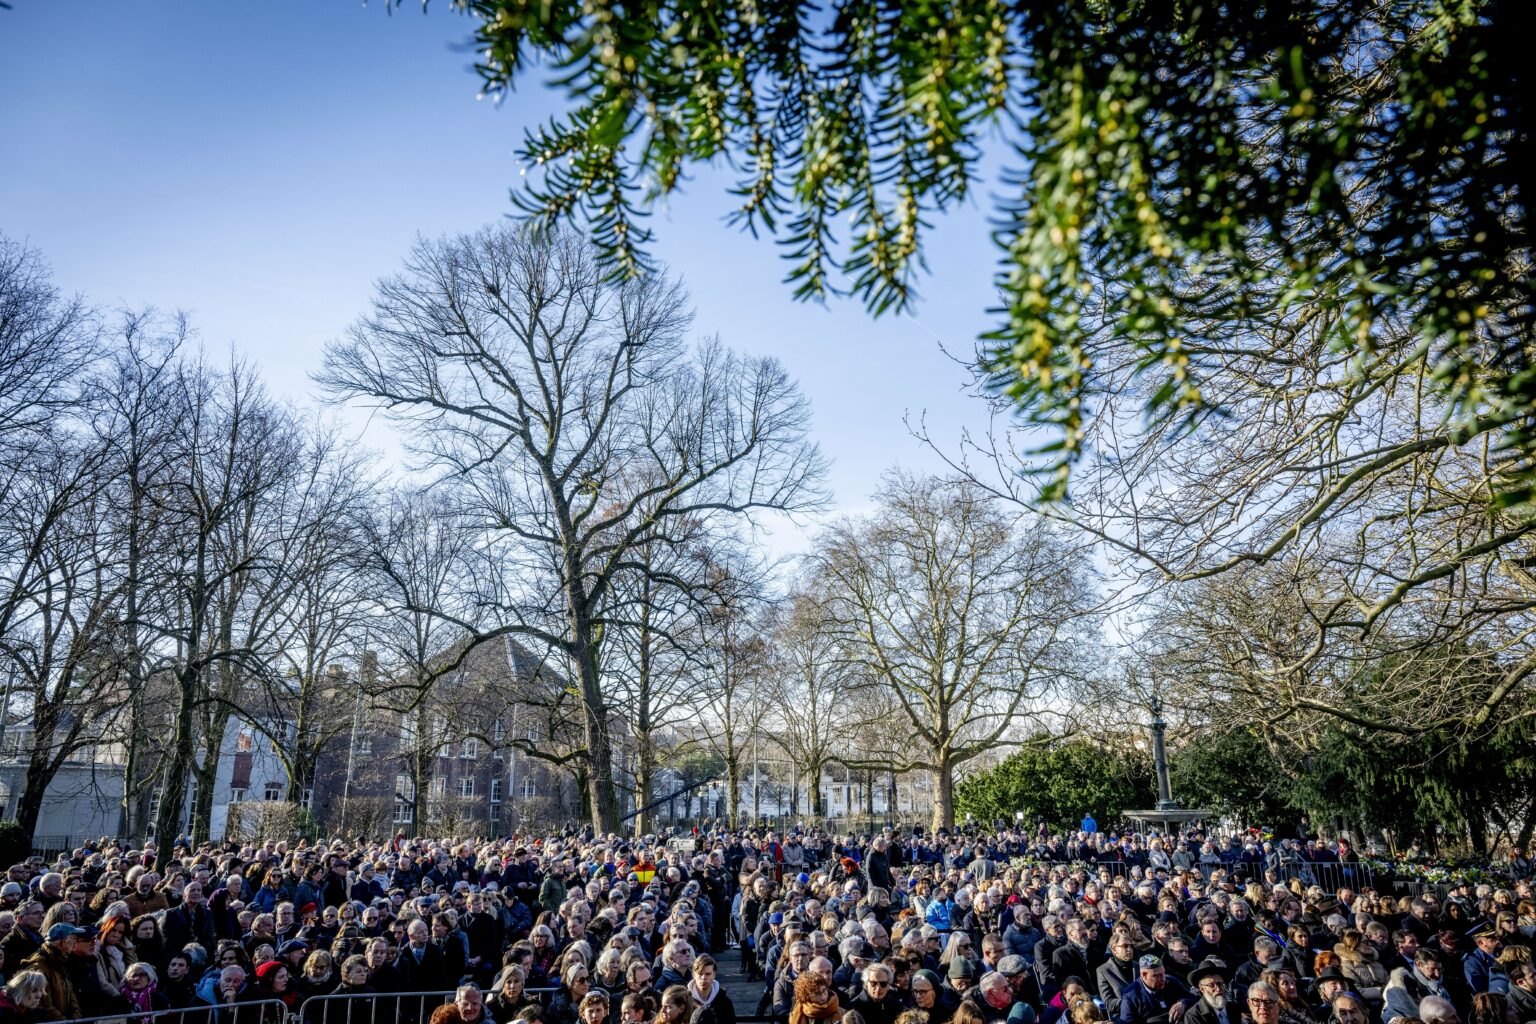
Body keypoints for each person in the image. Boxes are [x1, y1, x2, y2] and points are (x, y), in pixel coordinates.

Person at [19, 923, 85, 1021]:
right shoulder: (39, 968)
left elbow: (70, 992)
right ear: (64, 941)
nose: (75, 942)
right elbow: (43, 1005)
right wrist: (64, 1022)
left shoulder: (60, 961)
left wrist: (76, 1016)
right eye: (74, 938)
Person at [1119, 956, 1196, 1024]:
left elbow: (1193, 998)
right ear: (1144, 975)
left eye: (1163, 973)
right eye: (1157, 975)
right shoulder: (1130, 996)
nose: (1163, 979)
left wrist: (1182, 1003)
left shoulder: (1171, 981)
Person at [688, 954, 737, 1024]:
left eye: (708, 974)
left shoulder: (725, 1003)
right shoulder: (686, 1001)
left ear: (714, 974)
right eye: (700, 974)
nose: (703, 978)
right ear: (693, 975)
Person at [1184, 959, 1233, 1024]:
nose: (1218, 989)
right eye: (1211, 985)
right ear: (1202, 989)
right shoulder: (1193, 1016)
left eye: (1219, 983)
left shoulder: (1233, 1008)